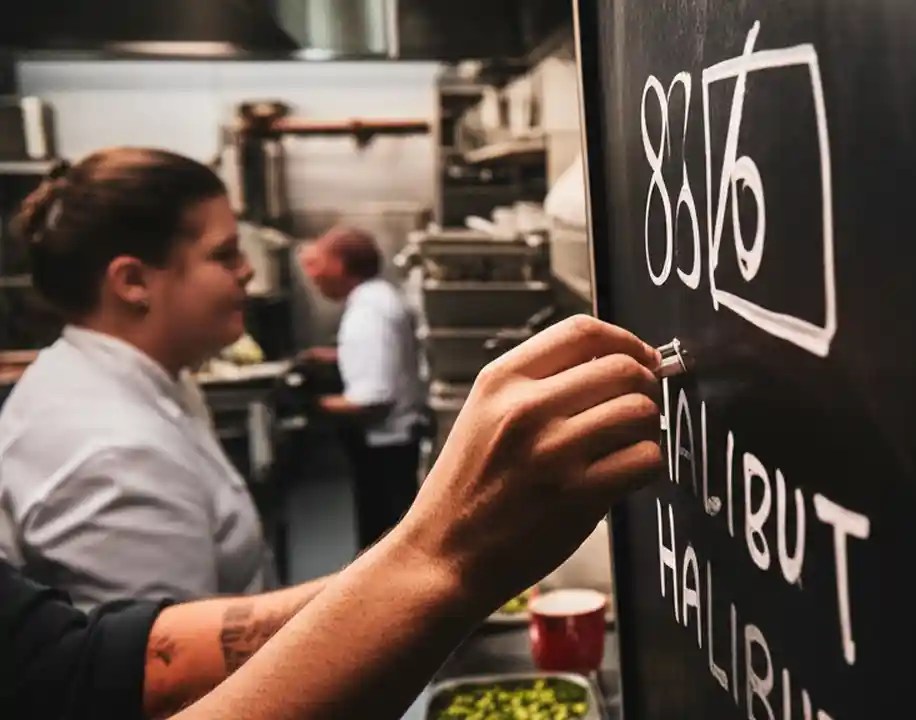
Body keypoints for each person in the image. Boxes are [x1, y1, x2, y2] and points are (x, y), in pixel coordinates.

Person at [3, 314, 664, 720]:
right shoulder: (101, 438)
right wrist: (442, 560)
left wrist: (426, 551)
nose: (247, 270)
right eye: (224, 253)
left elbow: (92, 664)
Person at [0, 148, 272, 608]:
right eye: (225, 255)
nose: (247, 271)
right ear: (132, 282)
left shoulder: (144, 378)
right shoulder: (115, 455)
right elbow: (169, 650)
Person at [298, 226, 429, 549]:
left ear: (341, 265)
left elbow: (373, 400)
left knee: (384, 548)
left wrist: (307, 406)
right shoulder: (377, 297)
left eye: (319, 263)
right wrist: (334, 356)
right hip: (397, 442)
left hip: (386, 451)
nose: (312, 275)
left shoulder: (368, 312)